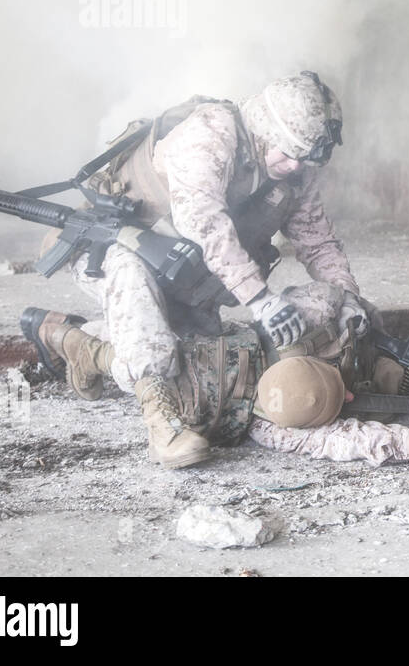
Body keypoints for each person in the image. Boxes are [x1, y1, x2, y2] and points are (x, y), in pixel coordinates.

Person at [22, 71, 377, 468]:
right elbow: (204, 223)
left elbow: (317, 239)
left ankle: (81, 348)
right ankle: (161, 424)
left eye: (304, 158)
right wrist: (260, 300)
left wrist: (348, 296)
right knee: (139, 302)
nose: (294, 165)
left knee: (194, 361)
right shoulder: (211, 134)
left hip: (186, 277)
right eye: (288, 153)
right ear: (262, 129)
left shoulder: (298, 170)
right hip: (113, 252)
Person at [21, 281, 409, 467]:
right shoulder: (277, 432)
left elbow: (325, 293)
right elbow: (355, 440)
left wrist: (355, 311)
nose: (350, 400)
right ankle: (71, 344)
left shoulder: (276, 345)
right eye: (344, 402)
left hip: (196, 339)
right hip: (168, 374)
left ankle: (72, 340)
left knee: (142, 351)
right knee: (129, 361)